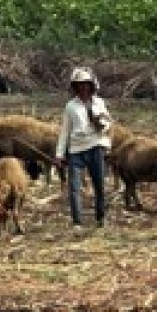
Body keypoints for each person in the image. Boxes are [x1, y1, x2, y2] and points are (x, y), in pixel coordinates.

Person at [55, 67, 114, 228]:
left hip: (96, 145)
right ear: (75, 86)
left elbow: (109, 123)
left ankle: (100, 218)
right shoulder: (70, 107)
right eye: (79, 84)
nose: (83, 87)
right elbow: (65, 131)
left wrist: (102, 126)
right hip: (76, 149)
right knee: (74, 187)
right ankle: (77, 222)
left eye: (86, 84)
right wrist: (59, 154)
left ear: (91, 85)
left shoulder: (99, 103)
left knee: (99, 184)